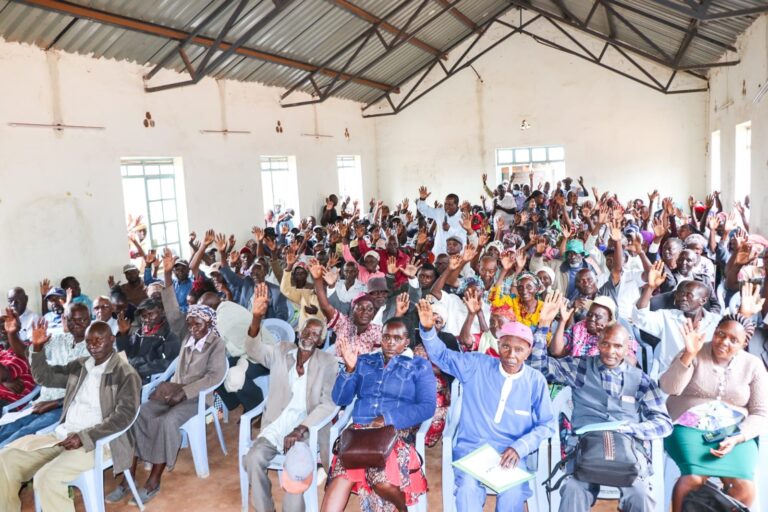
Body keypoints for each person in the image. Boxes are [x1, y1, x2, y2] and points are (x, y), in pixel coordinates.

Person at [531, 291, 672, 512]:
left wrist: (634, 430)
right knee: (574, 489)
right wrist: (543, 325)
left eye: (617, 347)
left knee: (641, 494)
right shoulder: (581, 367)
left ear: (627, 348)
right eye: (606, 344)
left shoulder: (640, 379)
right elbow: (539, 367)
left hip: (628, 450)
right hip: (586, 448)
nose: (611, 352)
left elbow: (663, 422)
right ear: (598, 342)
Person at [418, 299, 555, 511]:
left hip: (511, 452)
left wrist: (520, 447)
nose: (511, 355)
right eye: (506, 346)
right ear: (498, 345)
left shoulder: (535, 381)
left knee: (514, 493)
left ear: (528, 352)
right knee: (467, 491)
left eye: (519, 349)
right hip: (472, 449)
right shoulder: (477, 365)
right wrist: (428, 330)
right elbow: (442, 356)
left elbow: (546, 424)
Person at [0, 320, 140, 512]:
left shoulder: (125, 373)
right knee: (5, 459)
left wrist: (85, 437)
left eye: (99, 340)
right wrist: (38, 348)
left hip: (97, 443)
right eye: (90, 341)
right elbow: (46, 377)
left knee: (46, 478)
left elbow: (124, 416)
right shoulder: (81, 366)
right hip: (63, 435)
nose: (93, 346)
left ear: (112, 339)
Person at [321, 317, 436, 512]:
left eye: (397, 338)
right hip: (359, 434)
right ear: (380, 338)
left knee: (380, 480)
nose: (391, 342)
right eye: (386, 337)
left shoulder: (418, 366)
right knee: (339, 482)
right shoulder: (364, 361)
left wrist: (387, 418)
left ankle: (402, 508)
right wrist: (349, 370)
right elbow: (340, 398)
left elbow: (427, 406)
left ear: (407, 341)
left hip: (394, 432)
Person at [243, 283, 339, 512]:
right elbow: (253, 349)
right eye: (307, 330)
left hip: (307, 430)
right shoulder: (281, 351)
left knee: (295, 472)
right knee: (253, 459)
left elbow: (328, 404)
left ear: (320, 341)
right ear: (299, 333)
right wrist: (256, 318)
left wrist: (300, 429)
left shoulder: (327, 362)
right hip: (276, 424)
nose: (309, 336)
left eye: (316, 334)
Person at [660, 314, 768, 511]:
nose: (724, 342)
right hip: (687, 425)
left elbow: (761, 413)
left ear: (745, 343)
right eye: (720, 334)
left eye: (733, 340)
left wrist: (737, 437)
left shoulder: (753, 365)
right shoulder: (695, 351)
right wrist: (688, 355)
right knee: (692, 478)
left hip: (733, 431)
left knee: (745, 487)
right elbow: (669, 387)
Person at [121, 304, 226, 503]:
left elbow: (214, 377)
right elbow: (174, 315)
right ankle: (129, 478)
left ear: (209, 323)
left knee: (167, 421)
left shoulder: (216, 344)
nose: (193, 328)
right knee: (140, 414)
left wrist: (184, 392)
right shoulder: (188, 338)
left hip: (198, 397)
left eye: (198, 324)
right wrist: (174, 390)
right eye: (190, 324)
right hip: (173, 392)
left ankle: (154, 480)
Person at [0, 305, 91, 446]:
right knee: (7, 428)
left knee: (20, 436)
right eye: (72, 320)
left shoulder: (96, 347)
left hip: (66, 408)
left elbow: (90, 390)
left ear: (90, 320)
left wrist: (55, 403)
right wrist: (12, 333)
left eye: (82, 320)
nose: (77, 324)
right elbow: (26, 353)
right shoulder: (60, 340)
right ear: (65, 320)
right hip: (41, 401)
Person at [633, 260, 721, 374]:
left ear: (703, 300)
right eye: (681, 294)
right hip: (671, 375)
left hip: (703, 378)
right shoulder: (667, 316)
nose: (683, 298)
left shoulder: (716, 322)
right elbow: (640, 318)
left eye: (689, 295)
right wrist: (650, 287)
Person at [310, 260, 382, 356]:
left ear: (373, 314)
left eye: (369, 309)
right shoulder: (344, 324)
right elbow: (326, 306)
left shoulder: (377, 331)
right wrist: (318, 280)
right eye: (360, 308)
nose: (365, 312)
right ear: (353, 310)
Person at [115, 298, 181, 383]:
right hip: (132, 374)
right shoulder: (139, 333)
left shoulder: (169, 334)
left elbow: (168, 362)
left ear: (161, 311)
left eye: (150, 314)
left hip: (152, 378)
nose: (147, 319)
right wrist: (123, 334)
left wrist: (139, 370)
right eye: (144, 316)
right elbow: (125, 354)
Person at [416, 186, 466, 256]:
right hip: (437, 252)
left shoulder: (463, 218)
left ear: (457, 205)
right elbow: (425, 210)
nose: (447, 207)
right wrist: (422, 199)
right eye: (445, 204)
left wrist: (449, 229)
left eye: (450, 204)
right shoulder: (440, 212)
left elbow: (463, 238)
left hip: (453, 255)